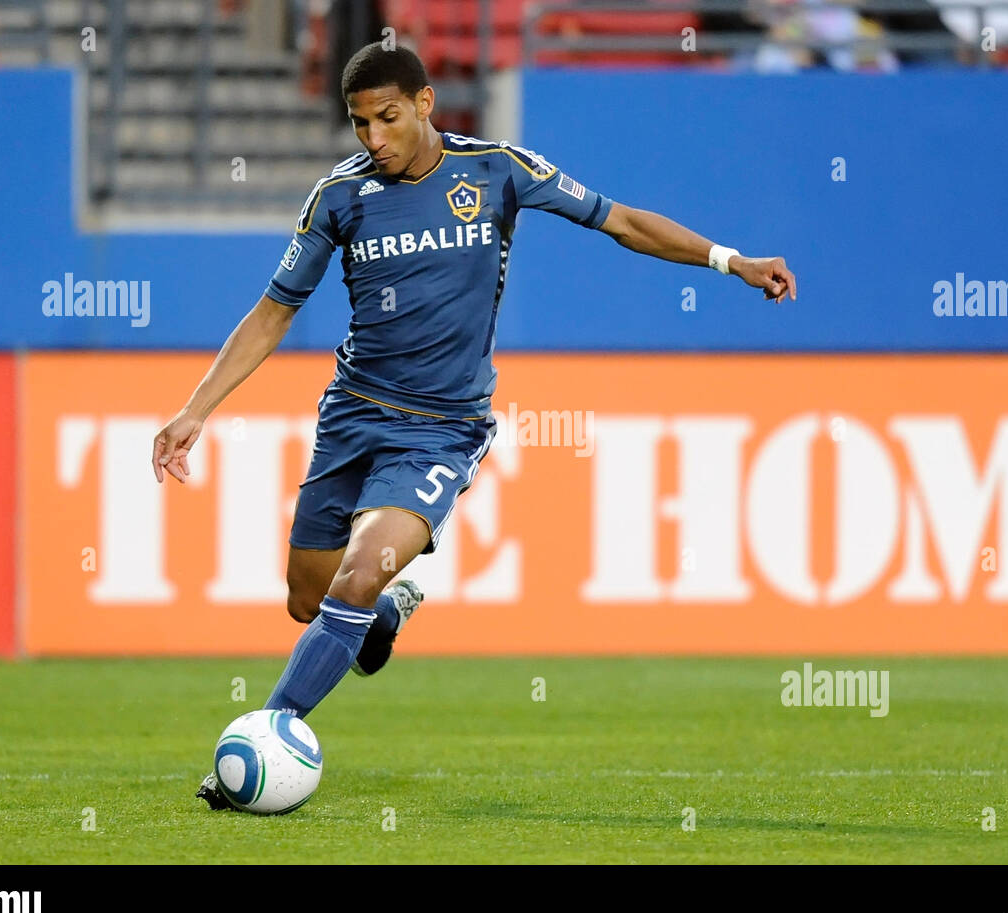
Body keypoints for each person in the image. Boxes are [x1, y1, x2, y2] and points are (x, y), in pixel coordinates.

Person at [149, 43, 797, 809]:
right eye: (359, 124)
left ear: (426, 104)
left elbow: (621, 222)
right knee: (309, 598)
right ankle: (384, 614)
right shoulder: (339, 199)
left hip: (442, 428)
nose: (373, 139)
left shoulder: (497, 170)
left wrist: (730, 260)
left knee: (357, 573)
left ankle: (271, 732)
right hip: (353, 415)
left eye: (387, 118)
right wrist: (196, 409)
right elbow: (273, 312)